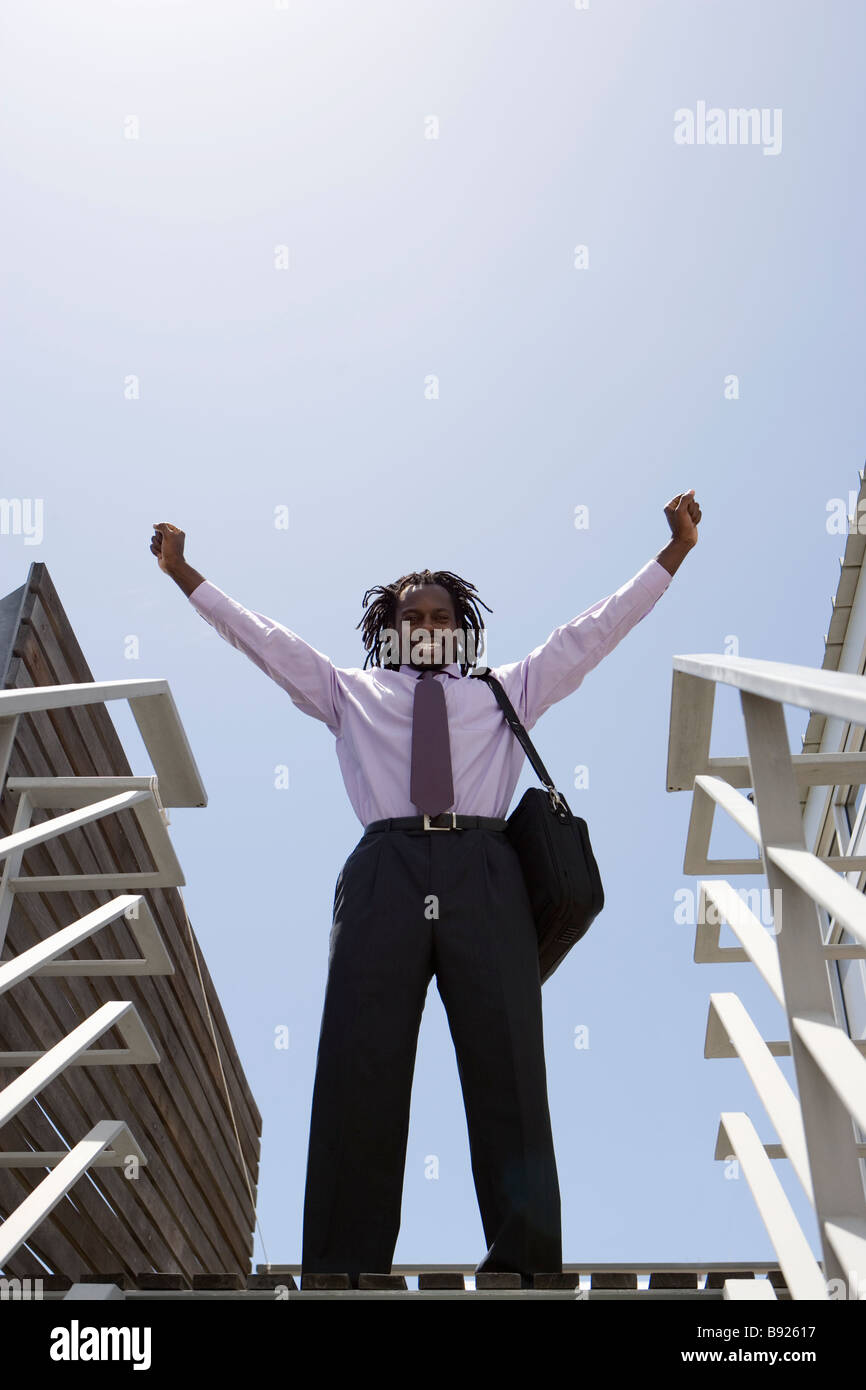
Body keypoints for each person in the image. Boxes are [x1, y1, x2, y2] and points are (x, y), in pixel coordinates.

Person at [150, 489, 701, 1288]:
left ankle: (527, 1266)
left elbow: (591, 633)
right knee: (358, 1066)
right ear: (390, 630)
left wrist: (673, 555)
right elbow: (263, 641)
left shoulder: (507, 688)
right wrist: (184, 573)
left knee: (509, 1066)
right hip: (385, 872)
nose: (429, 624)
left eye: (442, 613)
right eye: (414, 614)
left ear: (462, 625)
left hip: (486, 874)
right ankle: (340, 1270)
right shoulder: (348, 693)